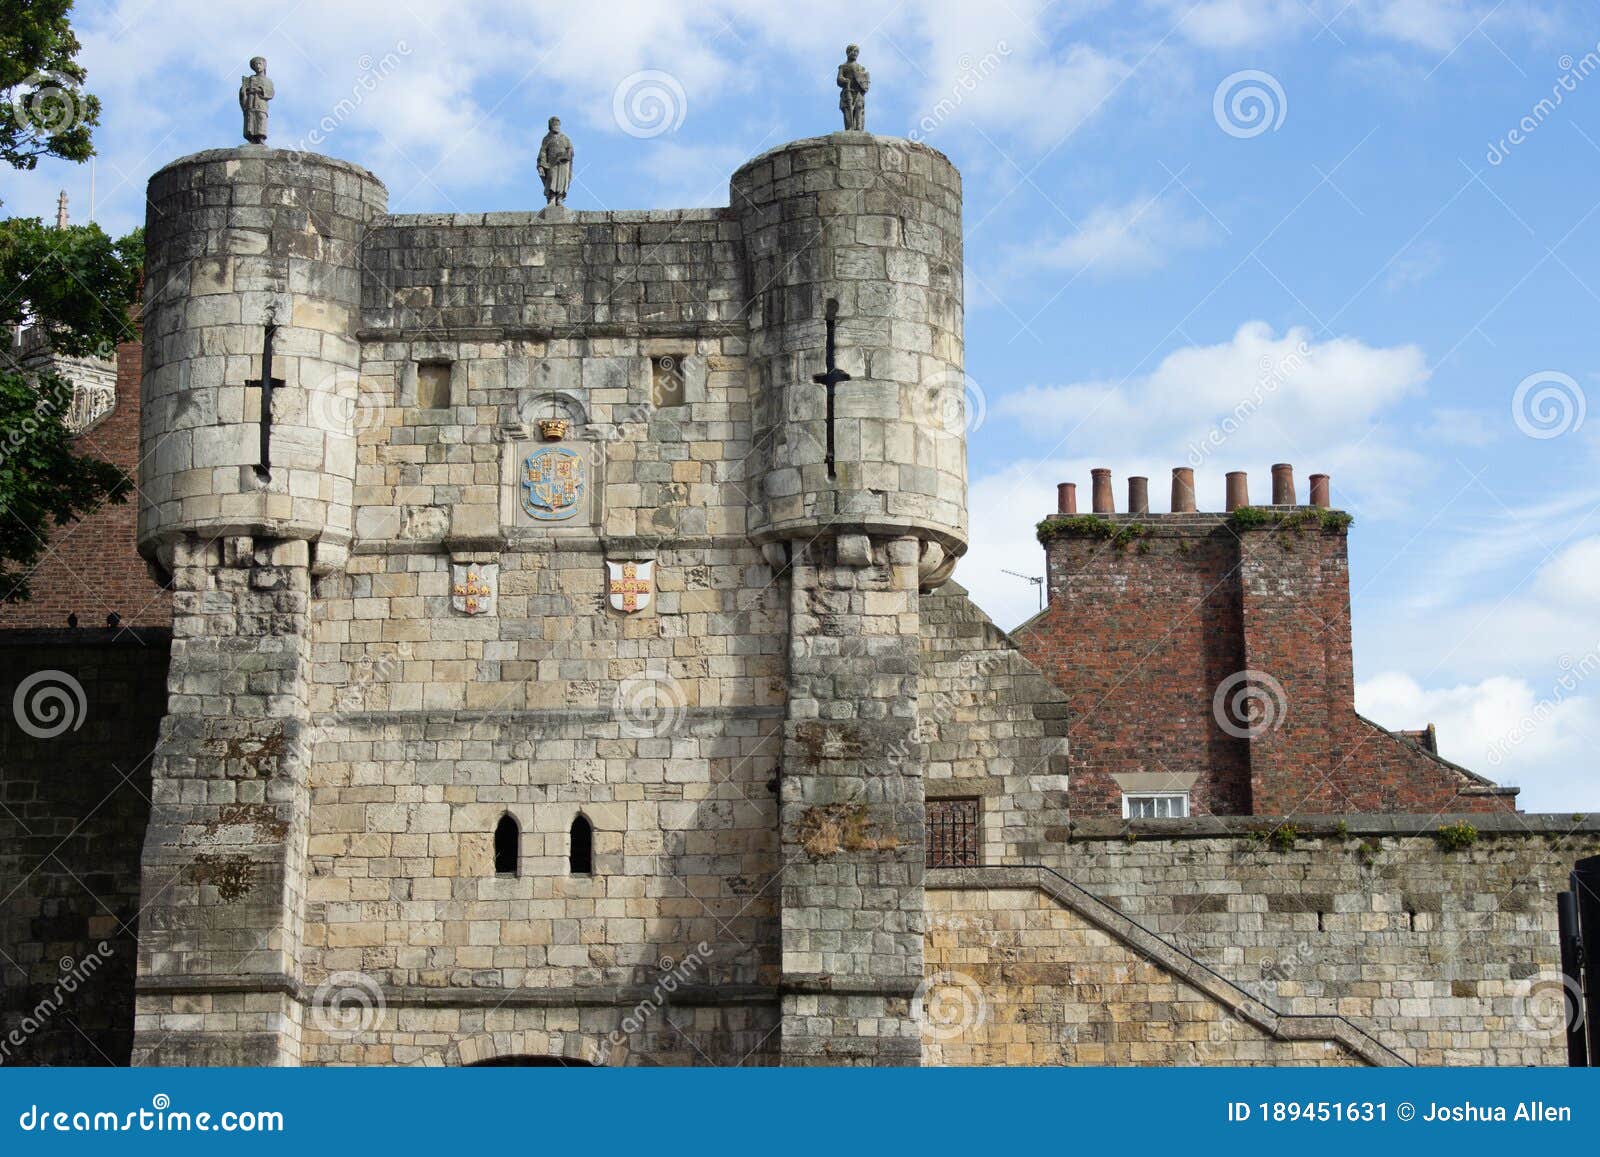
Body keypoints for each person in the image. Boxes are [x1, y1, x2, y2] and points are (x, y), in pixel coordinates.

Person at [538, 116, 574, 206]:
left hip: (563, 163)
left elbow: (570, 149)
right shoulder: (547, 139)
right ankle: (552, 197)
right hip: (551, 163)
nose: (556, 127)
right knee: (551, 178)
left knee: (562, 179)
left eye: (558, 125)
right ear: (551, 127)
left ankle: (560, 198)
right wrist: (541, 166)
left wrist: (567, 154)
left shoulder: (565, 138)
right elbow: (542, 152)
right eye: (554, 125)